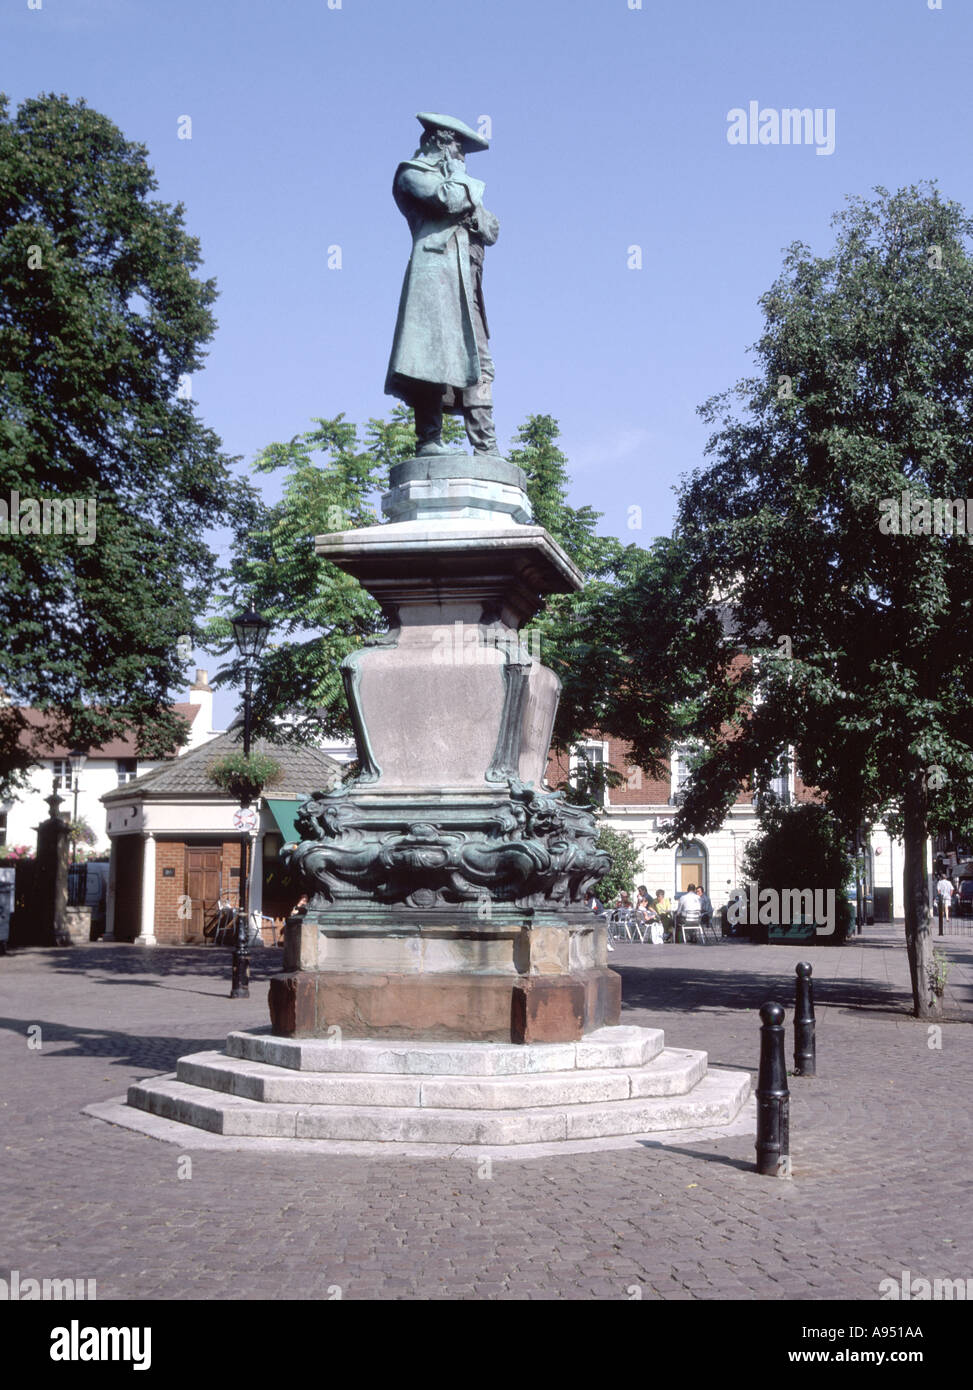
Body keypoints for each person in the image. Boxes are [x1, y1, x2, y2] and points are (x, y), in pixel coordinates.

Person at [385, 112, 501, 457]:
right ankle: (429, 440)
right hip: (434, 282)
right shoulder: (412, 174)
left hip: (467, 284)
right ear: (439, 141)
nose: (461, 153)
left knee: (481, 364)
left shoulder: (456, 180)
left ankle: (486, 448)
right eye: (457, 145)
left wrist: (467, 200)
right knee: (430, 359)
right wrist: (461, 182)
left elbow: (491, 229)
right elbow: (449, 201)